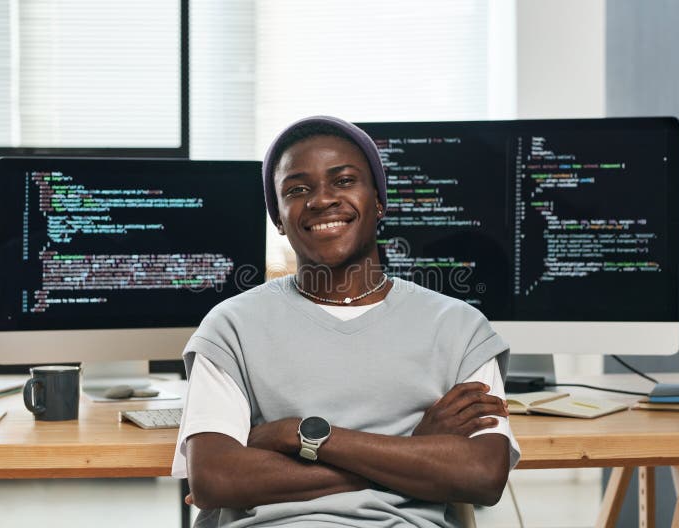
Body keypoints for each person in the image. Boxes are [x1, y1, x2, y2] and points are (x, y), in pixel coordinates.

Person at [172, 116, 520, 527]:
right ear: (278, 218)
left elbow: (482, 476)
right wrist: (411, 450)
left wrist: (297, 435)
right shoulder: (230, 327)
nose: (322, 200)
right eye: (297, 189)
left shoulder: (460, 329)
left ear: (379, 201)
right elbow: (215, 479)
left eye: (344, 181)